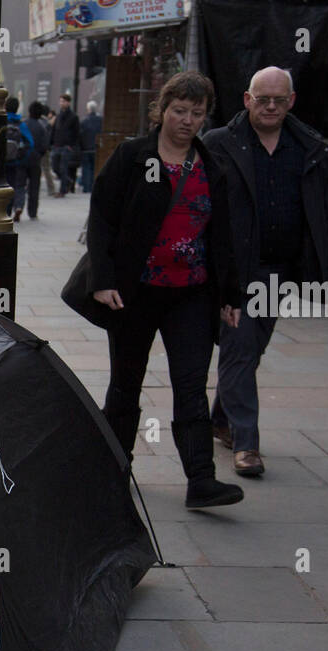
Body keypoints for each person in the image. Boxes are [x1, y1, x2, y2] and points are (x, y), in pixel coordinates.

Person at [86, 70, 243, 509]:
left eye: (196, 113)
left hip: (191, 294)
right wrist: (103, 281)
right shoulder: (134, 157)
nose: (187, 121)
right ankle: (113, 469)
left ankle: (202, 480)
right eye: (179, 111)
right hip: (134, 293)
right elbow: (101, 219)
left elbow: (224, 235)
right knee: (125, 385)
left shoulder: (212, 166)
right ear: (162, 110)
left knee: (192, 386)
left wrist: (232, 295)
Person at [206, 66, 328, 478]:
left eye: (278, 100)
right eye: (262, 99)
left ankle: (220, 418)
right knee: (241, 347)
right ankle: (247, 444)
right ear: (246, 99)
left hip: (279, 272)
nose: (269, 106)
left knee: (249, 351)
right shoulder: (220, 144)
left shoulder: (310, 148)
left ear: (291, 101)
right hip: (235, 272)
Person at [3, 96, 34, 223]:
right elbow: (30, 143)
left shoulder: (0, 121)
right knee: (11, 187)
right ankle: (8, 212)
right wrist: (21, 157)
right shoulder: (20, 124)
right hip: (14, 162)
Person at [50, 92, 80, 196]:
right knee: (55, 167)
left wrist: (71, 145)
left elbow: (77, 132)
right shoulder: (58, 116)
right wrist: (51, 143)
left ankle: (62, 191)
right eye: (60, 101)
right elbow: (54, 130)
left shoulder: (73, 117)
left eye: (63, 101)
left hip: (66, 146)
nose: (61, 103)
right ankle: (67, 181)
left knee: (63, 168)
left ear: (68, 103)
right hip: (57, 145)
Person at [24, 102, 49, 220]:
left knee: (19, 184)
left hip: (22, 159)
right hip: (35, 160)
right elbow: (45, 146)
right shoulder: (41, 127)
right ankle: (32, 212)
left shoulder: (24, 124)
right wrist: (39, 154)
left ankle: (16, 206)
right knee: (34, 187)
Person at [79, 100, 102, 192]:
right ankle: (93, 187)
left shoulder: (84, 121)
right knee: (94, 168)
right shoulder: (101, 120)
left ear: (88, 109)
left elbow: (80, 135)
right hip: (97, 148)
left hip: (85, 148)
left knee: (86, 168)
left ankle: (86, 187)